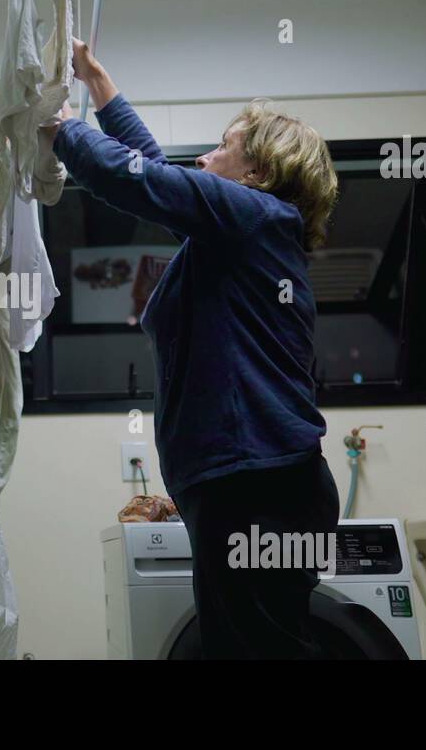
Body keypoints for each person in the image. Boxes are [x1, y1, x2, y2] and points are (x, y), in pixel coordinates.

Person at [46, 40, 341, 659]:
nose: (204, 157)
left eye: (222, 147)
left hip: (259, 487)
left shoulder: (255, 218)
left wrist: (61, 125)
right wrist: (98, 84)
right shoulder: (240, 237)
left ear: (257, 172)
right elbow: (155, 170)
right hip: (260, 485)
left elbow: (138, 179)